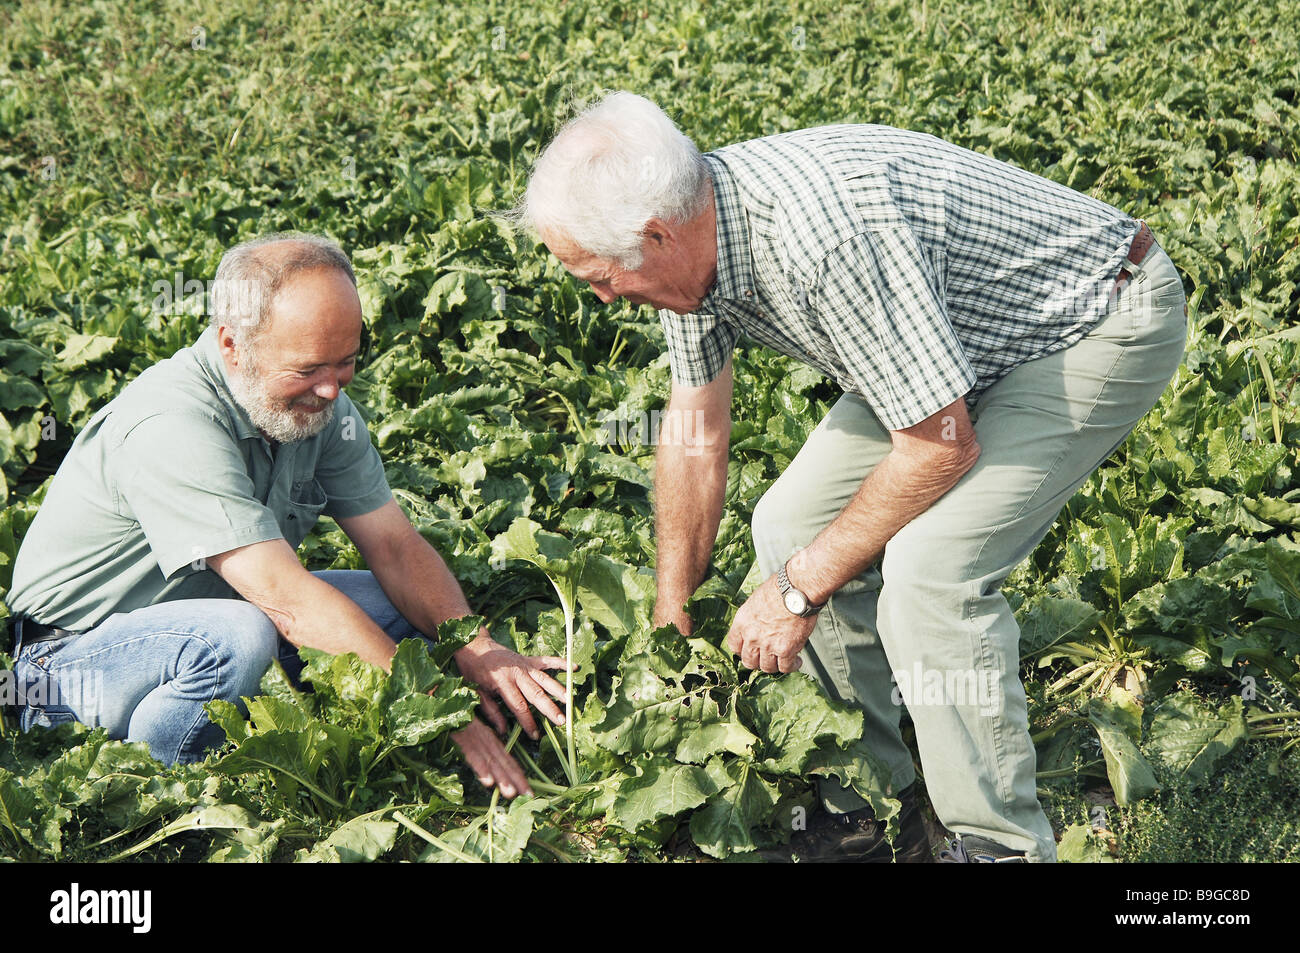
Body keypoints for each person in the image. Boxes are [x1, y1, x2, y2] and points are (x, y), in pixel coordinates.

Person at [513, 92, 1187, 861]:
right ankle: (872, 804)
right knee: (789, 527)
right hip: (954, 342)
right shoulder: (689, 244)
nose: (599, 296)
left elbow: (938, 445)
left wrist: (797, 591)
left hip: (1090, 319)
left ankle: (996, 842)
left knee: (936, 571)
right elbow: (696, 432)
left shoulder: (819, 240)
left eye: (595, 275)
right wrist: (674, 614)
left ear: (654, 235)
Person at [5, 233, 567, 798]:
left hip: (204, 621)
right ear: (232, 345)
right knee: (242, 636)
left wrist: (478, 648)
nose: (329, 390)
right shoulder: (169, 424)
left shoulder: (319, 407)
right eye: (307, 369)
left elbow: (394, 546)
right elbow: (285, 600)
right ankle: (157, 779)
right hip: (67, 663)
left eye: (346, 362)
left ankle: (234, 711)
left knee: (392, 610)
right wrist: (437, 711)